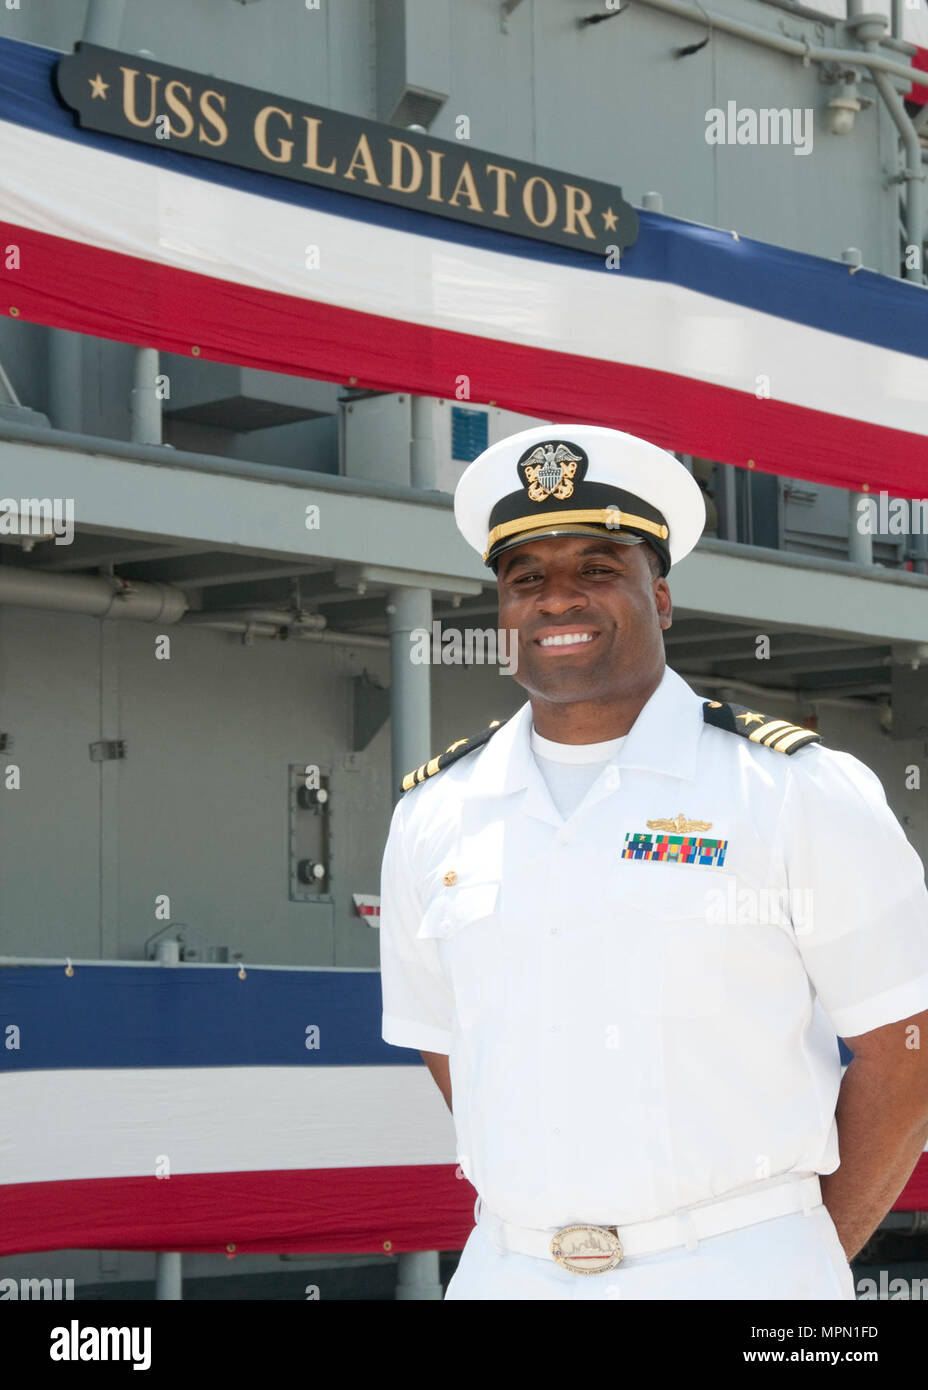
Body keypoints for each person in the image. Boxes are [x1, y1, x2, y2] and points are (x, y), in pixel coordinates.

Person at [378, 423, 928, 1300]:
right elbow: (452, 1048)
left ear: (661, 598)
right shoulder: (433, 814)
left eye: (598, 569)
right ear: (503, 614)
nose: (558, 600)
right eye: (528, 579)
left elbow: (909, 1049)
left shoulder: (794, 789)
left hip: (740, 1268)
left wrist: (806, 1256)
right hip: (507, 1269)